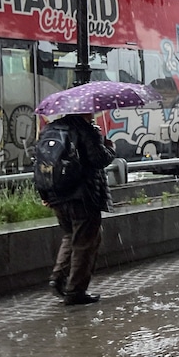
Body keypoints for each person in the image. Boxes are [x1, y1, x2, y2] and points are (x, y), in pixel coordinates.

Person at [44, 113, 115, 306]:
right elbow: (98, 159)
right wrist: (109, 148)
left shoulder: (51, 128)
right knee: (86, 243)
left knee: (70, 236)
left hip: (57, 195)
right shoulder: (86, 130)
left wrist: (46, 194)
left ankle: (59, 278)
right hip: (83, 196)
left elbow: (42, 162)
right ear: (85, 110)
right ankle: (75, 291)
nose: (94, 112)